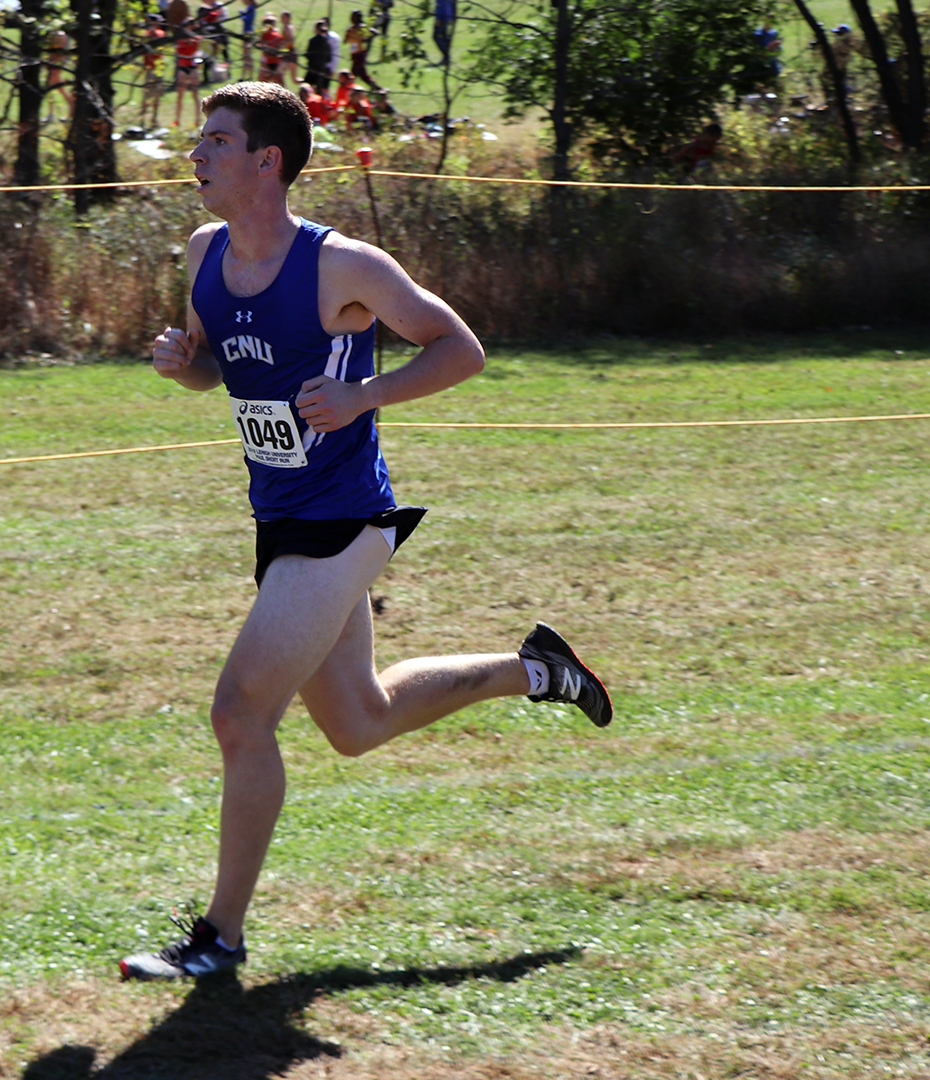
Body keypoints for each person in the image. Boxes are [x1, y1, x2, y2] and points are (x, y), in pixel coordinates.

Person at [119, 82, 612, 980]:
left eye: (217, 141)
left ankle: (219, 938)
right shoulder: (203, 253)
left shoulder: (344, 265)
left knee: (239, 712)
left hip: (345, 521)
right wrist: (178, 364)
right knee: (358, 721)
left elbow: (460, 348)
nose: (196, 154)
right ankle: (538, 668)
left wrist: (363, 396)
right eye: (201, 141)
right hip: (279, 518)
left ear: (267, 161)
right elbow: (214, 367)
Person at [172, 21, 206, 126]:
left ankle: (198, 119)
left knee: (195, 95)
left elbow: (194, 50)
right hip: (182, 67)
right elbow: (181, 51)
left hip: (193, 68)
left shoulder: (196, 39)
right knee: (180, 95)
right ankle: (177, 119)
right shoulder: (180, 40)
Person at [344, 10, 377, 89]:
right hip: (354, 54)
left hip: (360, 53)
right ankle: (376, 88)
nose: (351, 18)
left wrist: (366, 39)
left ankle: (348, 88)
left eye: (353, 17)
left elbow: (375, 32)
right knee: (360, 74)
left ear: (358, 18)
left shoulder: (361, 27)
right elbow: (345, 40)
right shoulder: (351, 28)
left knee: (356, 74)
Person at [303, 17, 333, 93]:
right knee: (320, 90)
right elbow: (329, 58)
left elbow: (309, 55)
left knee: (306, 87)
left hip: (312, 69)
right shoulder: (327, 41)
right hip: (322, 69)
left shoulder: (313, 40)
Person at [256, 15, 285, 83]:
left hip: (274, 60)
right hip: (269, 61)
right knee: (264, 80)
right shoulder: (266, 34)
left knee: (276, 80)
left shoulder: (275, 34)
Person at [277, 11, 299, 84]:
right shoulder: (286, 27)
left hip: (290, 53)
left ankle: (308, 84)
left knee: (293, 79)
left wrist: (282, 44)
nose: (281, 19)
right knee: (280, 74)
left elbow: (291, 41)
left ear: (288, 18)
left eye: (283, 17)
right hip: (287, 53)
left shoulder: (288, 28)